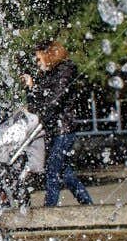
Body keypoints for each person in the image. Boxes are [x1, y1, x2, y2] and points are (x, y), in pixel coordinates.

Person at [21, 37, 93, 208]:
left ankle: (49, 210)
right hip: (54, 129)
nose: (37, 63)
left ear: (49, 55)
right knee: (64, 171)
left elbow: (56, 100)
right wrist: (31, 87)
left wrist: (39, 108)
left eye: (39, 58)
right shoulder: (49, 74)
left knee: (53, 169)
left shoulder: (66, 70)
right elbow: (38, 102)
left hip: (64, 128)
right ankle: (88, 205)